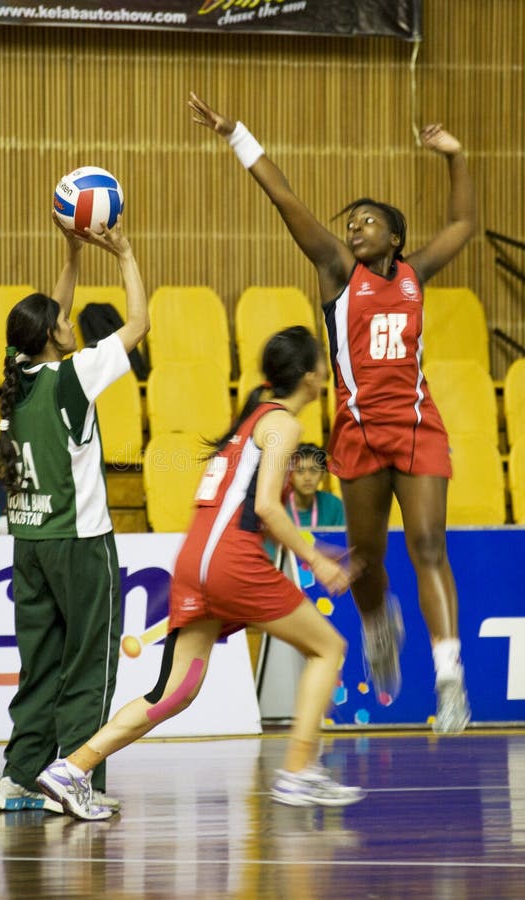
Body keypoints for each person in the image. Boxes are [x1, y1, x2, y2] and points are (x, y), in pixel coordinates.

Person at [188, 92, 477, 735]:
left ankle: (450, 675)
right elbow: (286, 199)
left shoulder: (414, 273)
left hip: (417, 427)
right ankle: (378, 627)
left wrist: (455, 157)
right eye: (351, 222)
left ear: (395, 237)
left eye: (369, 221)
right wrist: (237, 135)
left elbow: (463, 223)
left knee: (429, 544)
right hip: (359, 435)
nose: (354, 228)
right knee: (366, 561)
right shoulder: (339, 272)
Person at [34, 325, 366, 820]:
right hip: (232, 562)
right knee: (329, 648)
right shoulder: (283, 424)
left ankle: (72, 769)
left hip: (197, 560)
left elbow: (250, 507)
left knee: (176, 692)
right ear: (311, 377)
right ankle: (299, 770)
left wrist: (310, 546)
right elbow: (267, 507)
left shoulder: (252, 419)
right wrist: (314, 559)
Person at [0, 212, 149, 816]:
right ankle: (74, 779)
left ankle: (19, 778)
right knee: (88, 665)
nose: (71, 319)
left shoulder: (18, 374)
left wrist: (72, 254)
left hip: (28, 544)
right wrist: (123, 254)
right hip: (79, 545)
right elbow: (139, 323)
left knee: (40, 665)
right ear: (52, 337)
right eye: (64, 320)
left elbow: (48, 314)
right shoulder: (73, 377)